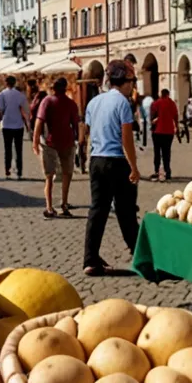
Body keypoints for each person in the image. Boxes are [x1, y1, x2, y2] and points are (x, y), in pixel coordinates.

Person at [81, 60, 141, 277]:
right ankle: (140, 255)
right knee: (126, 211)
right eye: (132, 81)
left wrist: (86, 156)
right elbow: (126, 139)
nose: (132, 86)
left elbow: (87, 132)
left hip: (97, 160)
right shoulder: (123, 103)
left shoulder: (94, 102)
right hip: (117, 161)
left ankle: (90, 259)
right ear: (125, 82)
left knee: (97, 210)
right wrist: (133, 167)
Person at [33, 77, 79, 219]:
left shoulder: (47, 101)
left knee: (49, 176)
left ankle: (49, 206)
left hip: (50, 142)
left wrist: (35, 141)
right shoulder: (71, 103)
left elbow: (39, 122)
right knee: (67, 174)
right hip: (67, 141)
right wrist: (78, 140)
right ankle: (64, 204)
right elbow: (76, 124)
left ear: (53, 89)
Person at [0, 75, 30, 179]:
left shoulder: (2, 94)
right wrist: (27, 124)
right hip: (18, 125)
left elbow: (0, 109)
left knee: (7, 149)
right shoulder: (20, 95)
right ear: (15, 83)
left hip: (6, 124)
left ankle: (8, 170)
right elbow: (26, 110)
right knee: (19, 149)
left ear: (6, 83)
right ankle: (19, 172)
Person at [149, 89, 178, 182]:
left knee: (157, 152)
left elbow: (152, 118)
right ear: (168, 94)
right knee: (166, 152)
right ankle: (167, 171)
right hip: (169, 132)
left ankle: (157, 171)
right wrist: (176, 127)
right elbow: (176, 116)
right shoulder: (172, 104)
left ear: (160, 94)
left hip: (157, 132)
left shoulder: (155, 103)